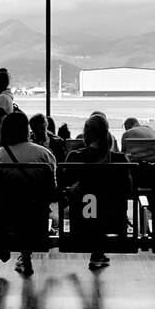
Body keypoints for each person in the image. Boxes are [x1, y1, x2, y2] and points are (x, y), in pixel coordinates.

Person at [0, 110, 56, 275]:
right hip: (37, 218)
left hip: (6, 219)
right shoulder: (43, 154)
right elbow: (52, 189)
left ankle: (19, 255)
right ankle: (25, 257)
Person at [65, 113, 130, 270]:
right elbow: (128, 191)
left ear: (87, 133)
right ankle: (98, 252)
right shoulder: (120, 160)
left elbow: (64, 188)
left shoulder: (74, 157)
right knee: (100, 206)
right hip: (113, 220)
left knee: (92, 207)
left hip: (81, 221)